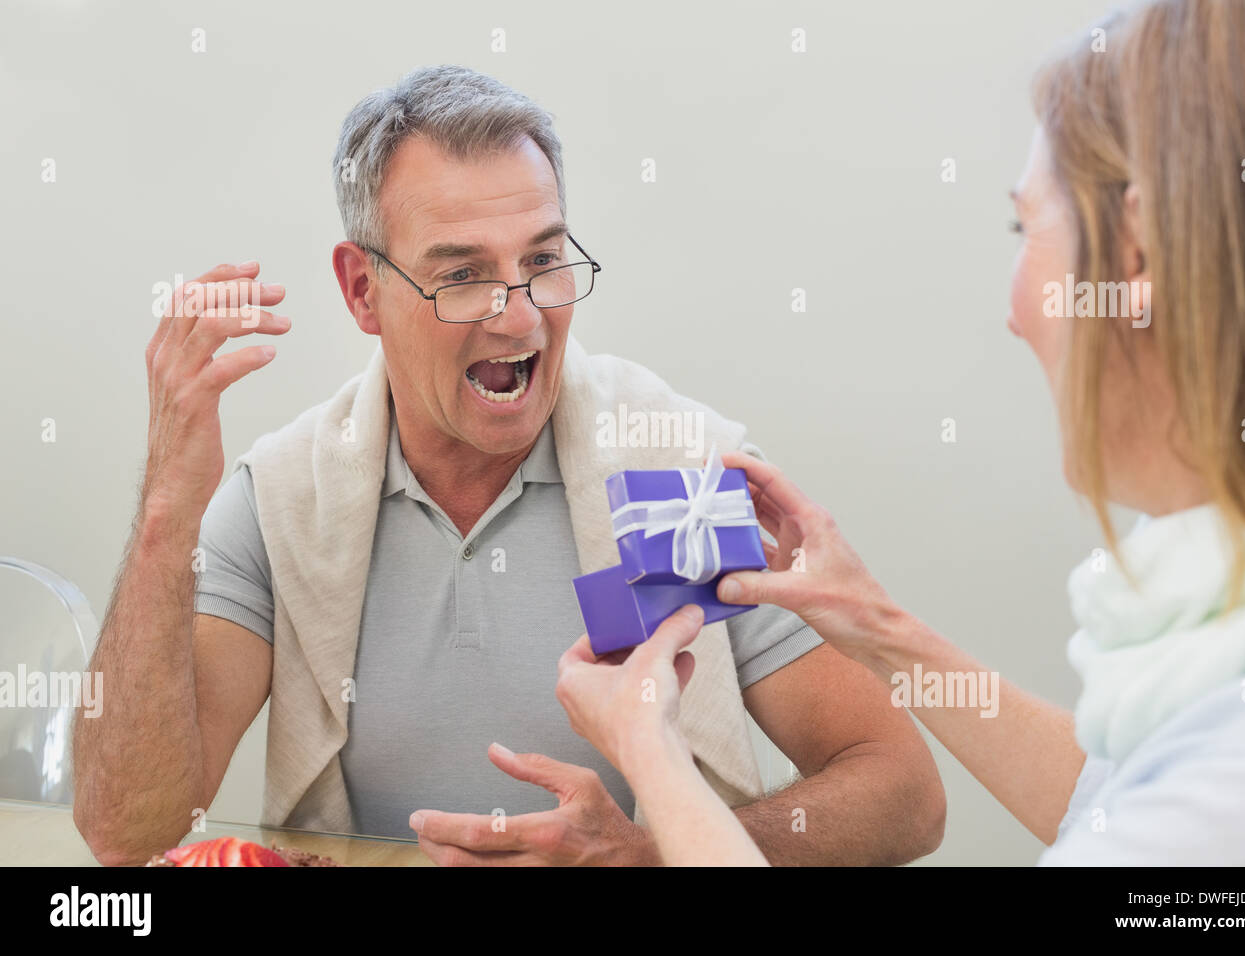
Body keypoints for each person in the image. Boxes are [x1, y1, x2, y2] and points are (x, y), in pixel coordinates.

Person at [71, 65, 945, 867]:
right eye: (463, 276)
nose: (519, 319)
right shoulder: (286, 498)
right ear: (363, 292)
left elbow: (903, 793)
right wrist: (165, 508)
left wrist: (647, 856)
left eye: (543, 261)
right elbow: (127, 829)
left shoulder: (676, 477)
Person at [555, 0, 1245, 866]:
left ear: (1135, 254)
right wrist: (873, 622)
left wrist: (651, 756)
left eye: (1027, 227)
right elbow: (1114, 797)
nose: (1014, 316)